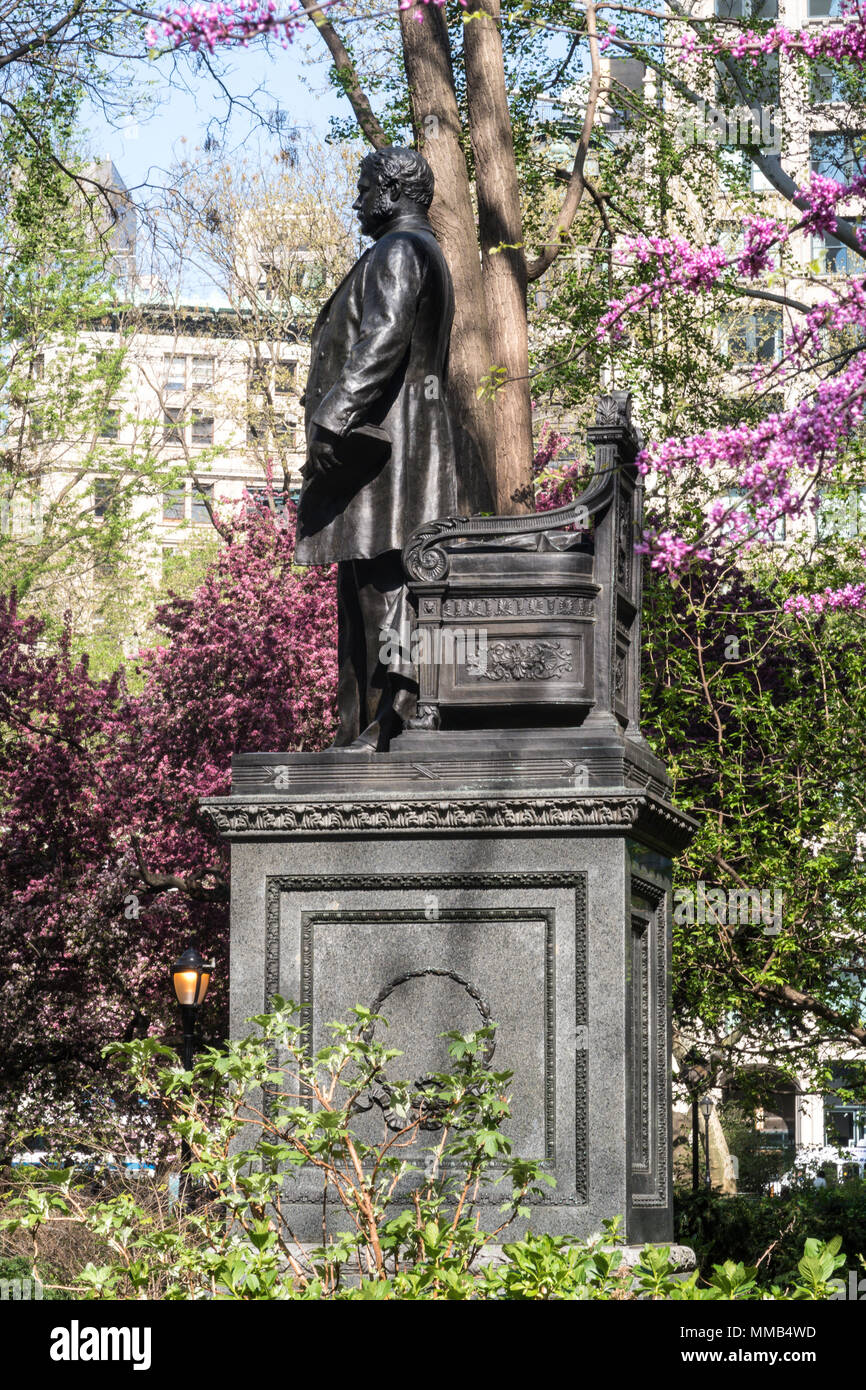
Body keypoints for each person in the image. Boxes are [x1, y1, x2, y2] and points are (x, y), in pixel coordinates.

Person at [294, 146, 457, 750]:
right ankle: (374, 724)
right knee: (385, 585)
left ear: (392, 190)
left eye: (365, 187)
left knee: (382, 586)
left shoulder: (399, 250)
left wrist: (332, 421)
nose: (357, 199)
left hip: (386, 458)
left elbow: (383, 339)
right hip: (404, 448)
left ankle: (384, 726)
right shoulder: (422, 250)